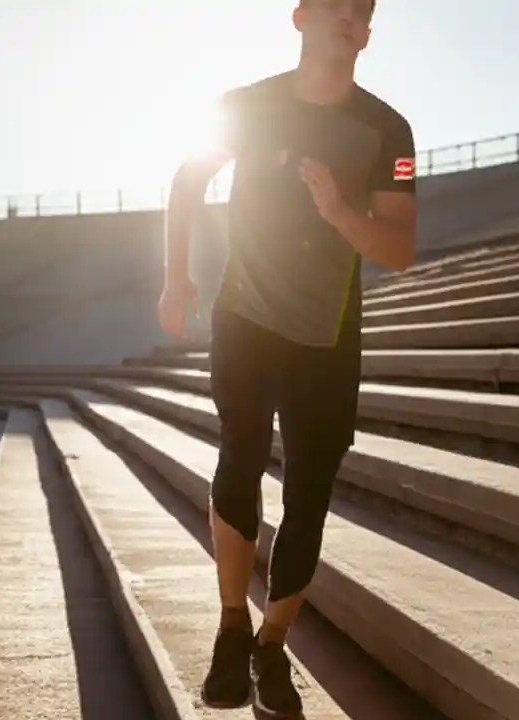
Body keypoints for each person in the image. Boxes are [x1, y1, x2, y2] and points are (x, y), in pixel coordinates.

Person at [157, 0, 417, 714]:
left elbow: (398, 246)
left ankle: (272, 644)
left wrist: (338, 212)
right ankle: (232, 626)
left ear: (368, 32)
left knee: (309, 495)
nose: (350, 16)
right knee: (239, 461)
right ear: (300, 16)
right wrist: (176, 275)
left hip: (327, 339)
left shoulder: (389, 131)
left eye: (362, 10)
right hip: (245, 317)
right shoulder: (249, 104)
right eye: (336, 3)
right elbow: (188, 179)